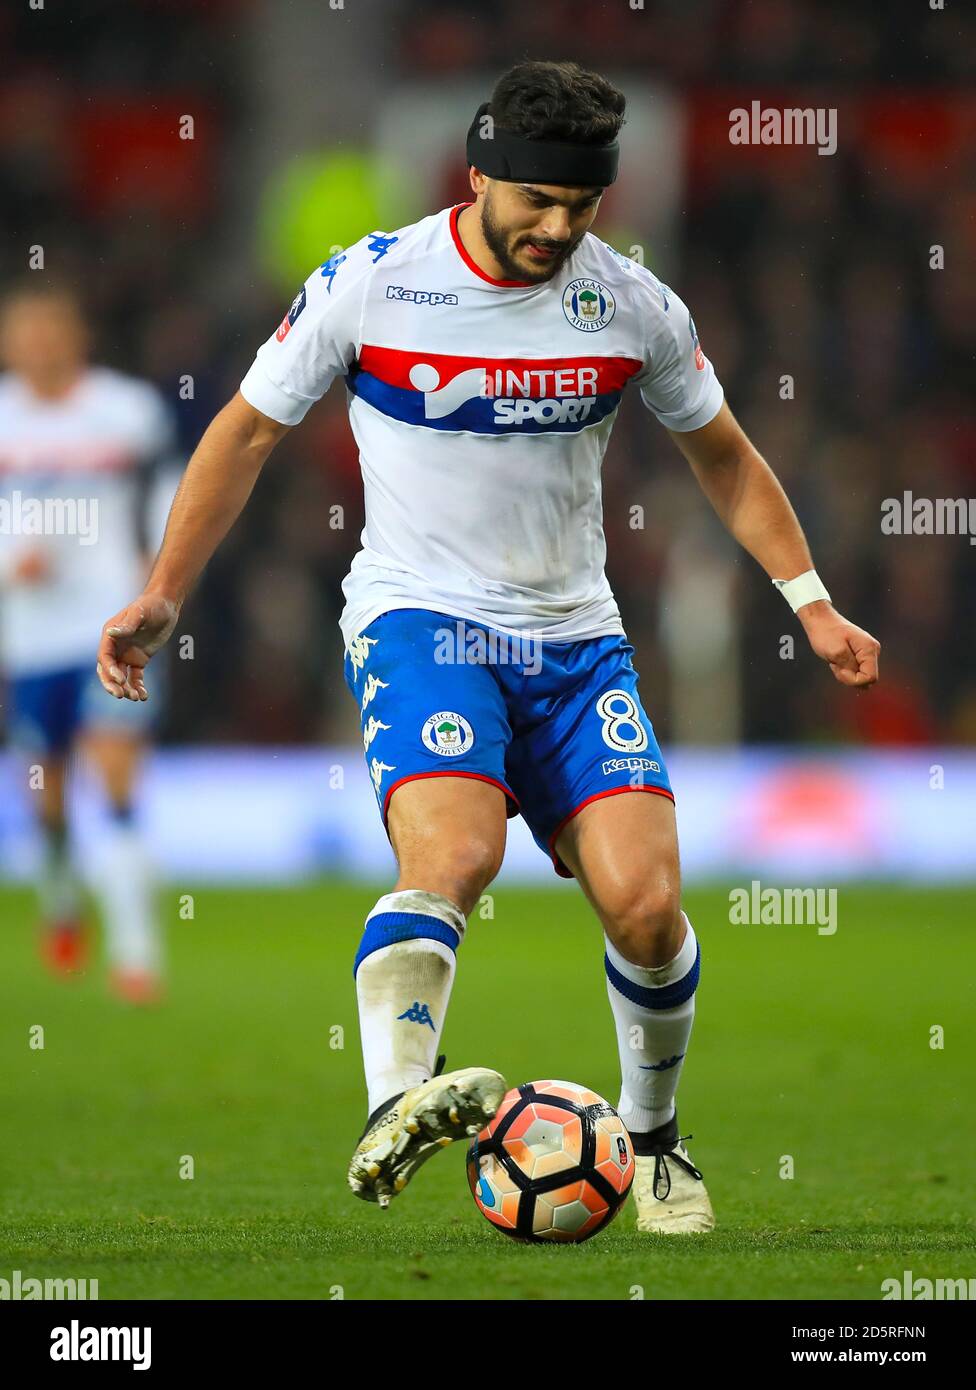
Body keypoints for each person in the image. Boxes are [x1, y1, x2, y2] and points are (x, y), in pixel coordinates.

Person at [96, 60, 880, 1230]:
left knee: (647, 906)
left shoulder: (632, 305)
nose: (558, 229)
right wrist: (164, 591)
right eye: (537, 203)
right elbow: (247, 431)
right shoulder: (371, 284)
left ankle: (654, 1143)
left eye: (582, 207)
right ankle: (392, 1106)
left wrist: (808, 598)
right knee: (451, 858)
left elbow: (721, 452)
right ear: (477, 175)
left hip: (574, 637)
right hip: (422, 618)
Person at [0, 280, 177, 1002]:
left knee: (116, 772)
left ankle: (136, 954)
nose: (40, 344)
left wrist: (160, 566)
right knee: (47, 793)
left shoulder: (127, 411)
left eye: (53, 329)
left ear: (79, 336)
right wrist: (14, 564)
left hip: (109, 626)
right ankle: (63, 898)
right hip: (28, 633)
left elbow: (170, 488)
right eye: (26, 331)